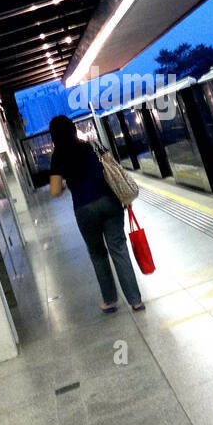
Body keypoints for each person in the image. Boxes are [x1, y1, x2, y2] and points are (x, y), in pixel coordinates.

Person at [47, 115, 145, 313]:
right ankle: (136, 301)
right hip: (109, 202)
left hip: (84, 210)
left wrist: (69, 183)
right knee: (118, 248)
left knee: (98, 254)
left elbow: (55, 190)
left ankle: (110, 301)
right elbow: (112, 166)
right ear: (74, 129)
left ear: (53, 136)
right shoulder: (92, 145)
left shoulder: (57, 156)